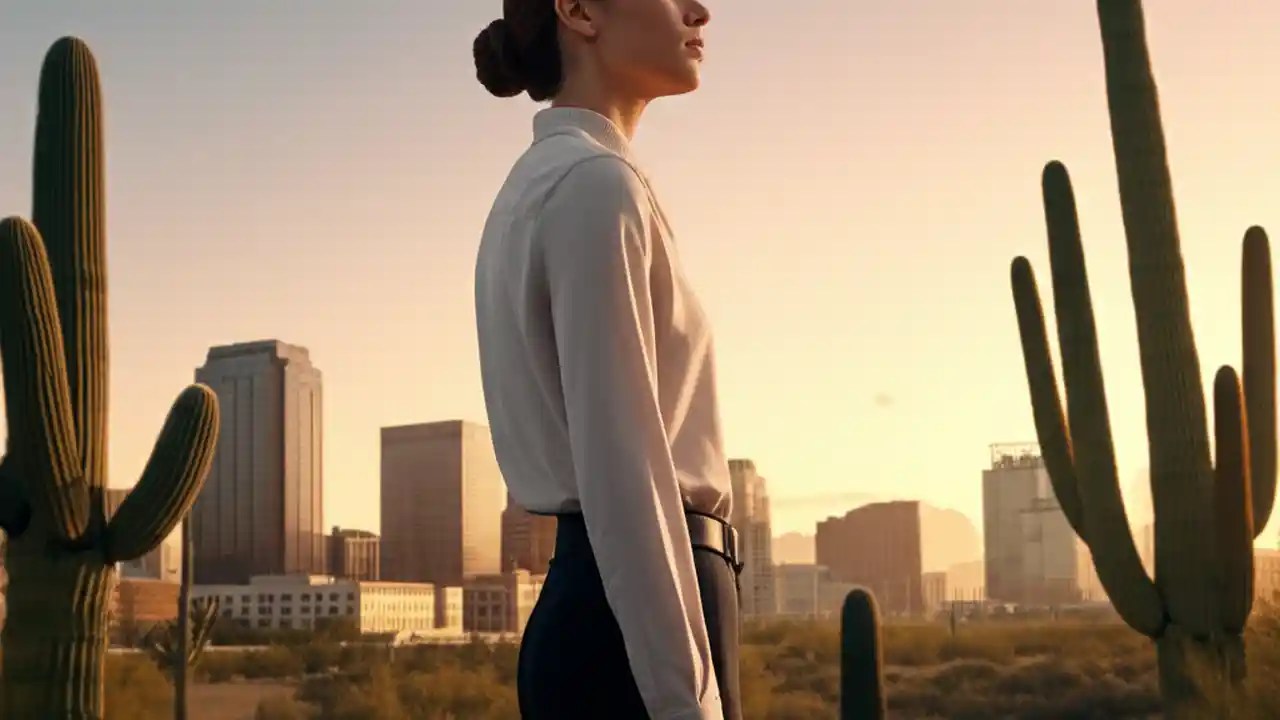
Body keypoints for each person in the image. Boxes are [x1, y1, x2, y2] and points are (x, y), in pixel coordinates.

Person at [471, 1, 741, 718]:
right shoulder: (594, 186)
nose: (698, 9)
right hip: (633, 620)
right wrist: (689, 703)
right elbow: (624, 475)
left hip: (603, 609)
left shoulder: (541, 187)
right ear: (580, 10)